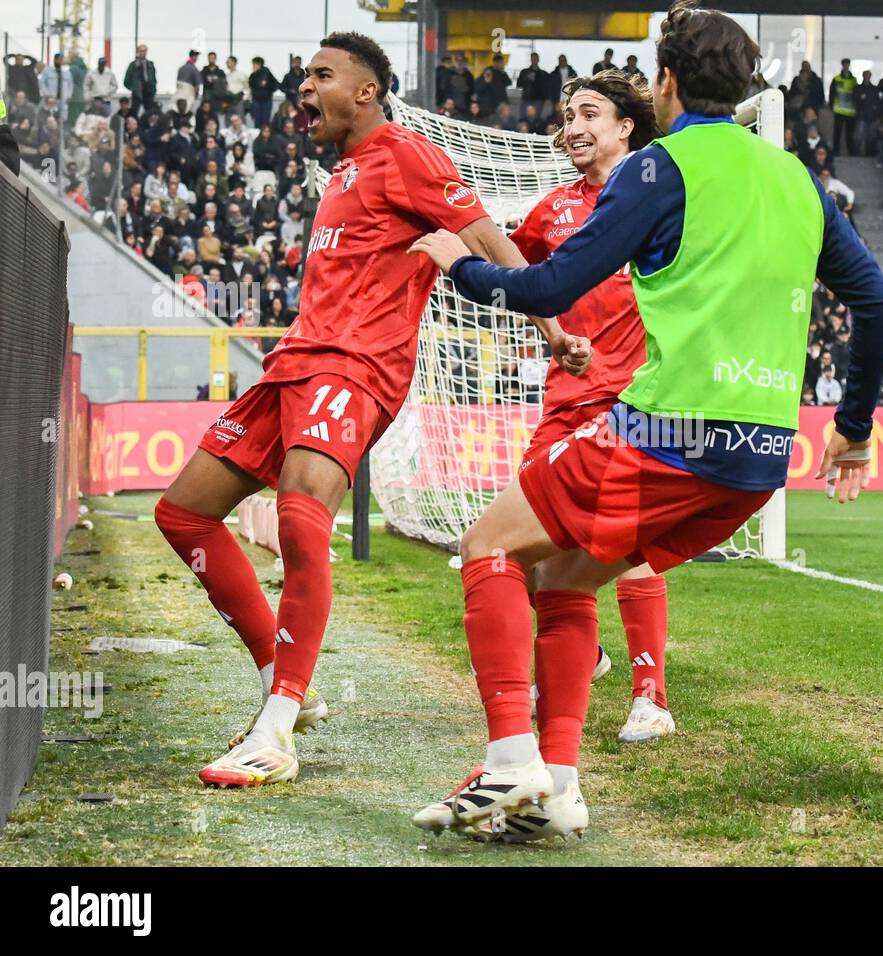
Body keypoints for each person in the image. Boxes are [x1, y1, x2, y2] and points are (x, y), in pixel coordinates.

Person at [406, 0, 883, 840]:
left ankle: (510, 760)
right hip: (758, 459)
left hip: (666, 431)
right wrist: (852, 428)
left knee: (485, 547)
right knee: (565, 578)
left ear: (665, 84)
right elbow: (877, 303)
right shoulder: (798, 180)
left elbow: (549, 289)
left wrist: (459, 267)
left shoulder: (660, 167)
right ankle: (558, 791)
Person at [154, 31, 590, 789]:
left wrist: (550, 325)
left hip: (359, 367)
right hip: (295, 363)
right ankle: (277, 677)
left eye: (321, 75)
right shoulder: (343, 171)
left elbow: (483, 234)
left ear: (365, 91)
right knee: (183, 513)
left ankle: (277, 727)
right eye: (304, 75)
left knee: (298, 511)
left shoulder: (409, 153)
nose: (304, 88)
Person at [507, 73, 680, 798]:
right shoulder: (552, 208)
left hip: (634, 397)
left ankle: (652, 698)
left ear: (626, 128)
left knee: (625, 544)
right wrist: (554, 336)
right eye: (565, 116)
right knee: (525, 556)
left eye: (588, 114)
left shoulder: (656, 198)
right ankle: (588, 658)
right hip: (564, 402)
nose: (572, 126)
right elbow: (519, 273)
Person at [828, 59, 857, 157]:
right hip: (839, 110)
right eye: (844, 64)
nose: (846, 66)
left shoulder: (854, 80)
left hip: (850, 111)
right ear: (842, 65)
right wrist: (832, 106)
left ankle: (851, 152)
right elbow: (831, 94)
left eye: (847, 64)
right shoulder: (836, 79)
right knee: (837, 132)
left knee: (850, 133)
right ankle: (836, 152)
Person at [123, 44, 157, 113]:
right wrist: (133, 87)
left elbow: (154, 79)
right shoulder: (133, 65)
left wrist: (153, 89)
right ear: (138, 52)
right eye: (140, 51)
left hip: (148, 91)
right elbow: (126, 80)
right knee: (134, 112)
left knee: (149, 112)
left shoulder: (150, 64)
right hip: (137, 91)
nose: (142, 53)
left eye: (144, 51)